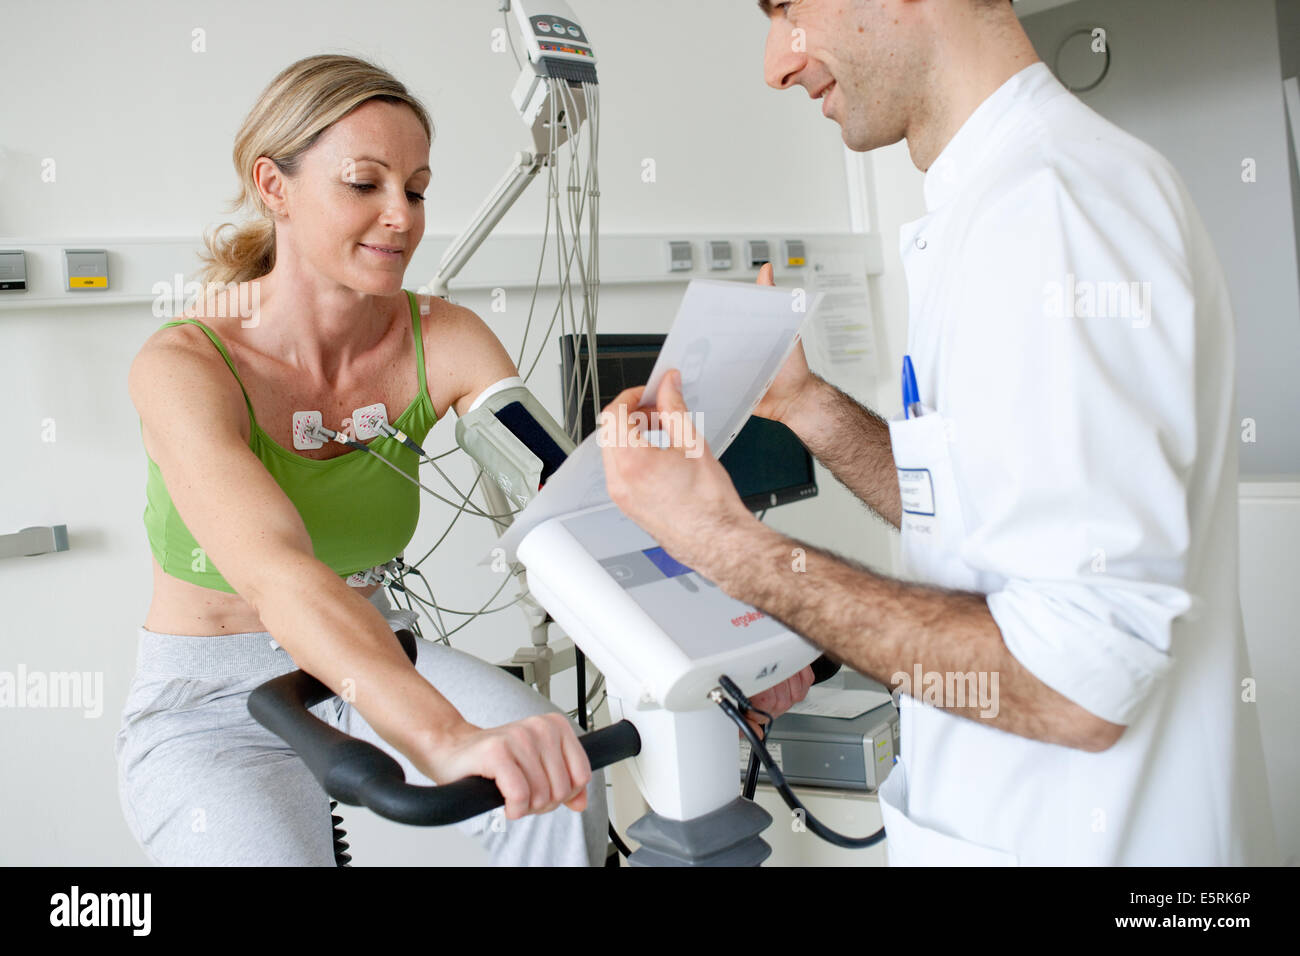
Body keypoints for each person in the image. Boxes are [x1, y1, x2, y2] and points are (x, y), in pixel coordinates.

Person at [598, 0, 1276, 864]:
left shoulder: (1051, 211)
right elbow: (971, 513)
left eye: (787, 8)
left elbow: (1076, 684)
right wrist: (809, 405)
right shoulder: (994, 208)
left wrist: (724, 544)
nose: (776, 62)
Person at [115, 54, 607, 866]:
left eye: (415, 189)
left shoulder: (442, 338)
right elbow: (279, 575)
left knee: (552, 771)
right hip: (209, 699)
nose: (402, 217)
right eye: (364, 184)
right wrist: (443, 736)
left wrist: (717, 654)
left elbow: (561, 494)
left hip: (379, 648)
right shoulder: (184, 368)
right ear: (274, 187)